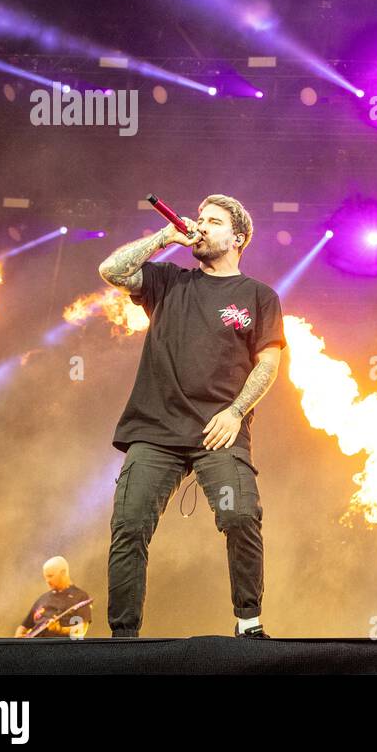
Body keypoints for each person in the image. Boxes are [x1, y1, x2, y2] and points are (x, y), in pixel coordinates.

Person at [98, 194, 286, 638]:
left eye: (213, 222)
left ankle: (248, 623)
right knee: (129, 523)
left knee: (240, 514)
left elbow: (269, 362)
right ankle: (122, 639)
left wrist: (237, 412)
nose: (201, 226)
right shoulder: (169, 282)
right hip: (155, 430)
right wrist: (166, 235)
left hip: (217, 430)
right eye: (199, 220)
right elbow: (112, 271)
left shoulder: (258, 296)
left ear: (237, 237)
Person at [14, 556, 93, 639]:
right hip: (34, 647)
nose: (47, 580)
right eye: (46, 577)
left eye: (50, 576)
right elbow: (24, 626)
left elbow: (80, 631)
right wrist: (19, 638)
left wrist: (59, 629)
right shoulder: (43, 598)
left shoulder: (80, 597)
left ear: (63, 573)